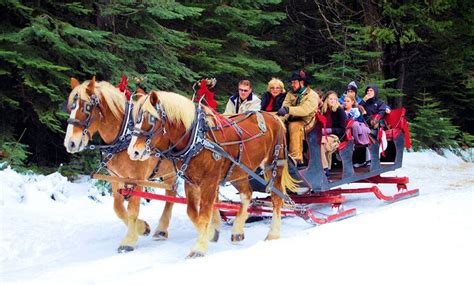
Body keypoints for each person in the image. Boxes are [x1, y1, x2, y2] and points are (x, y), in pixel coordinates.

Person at [277, 70, 319, 165]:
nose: (292, 85)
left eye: (294, 82)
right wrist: (279, 120)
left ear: (302, 82)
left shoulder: (312, 95)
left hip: (308, 122)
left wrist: (288, 110)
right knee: (278, 126)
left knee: (294, 126)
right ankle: (278, 156)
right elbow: (285, 109)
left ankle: (296, 159)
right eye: (291, 82)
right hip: (292, 119)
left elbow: (305, 110)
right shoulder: (290, 94)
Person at [321, 91, 347, 176]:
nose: (332, 101)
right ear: (326, 100)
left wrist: (329, 130)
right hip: (324, 135)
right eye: (330, 99)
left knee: (322, 143)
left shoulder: (340, 110)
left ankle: (324, 168)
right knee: (318, 143)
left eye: (334, 99)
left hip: (336, 136)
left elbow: (343, 129)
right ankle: (327, 168)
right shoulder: (324, 111)